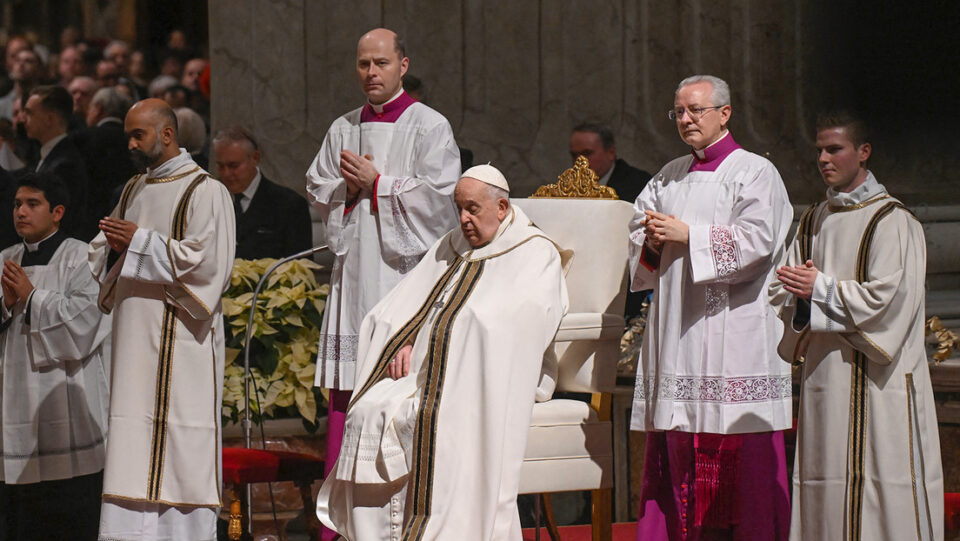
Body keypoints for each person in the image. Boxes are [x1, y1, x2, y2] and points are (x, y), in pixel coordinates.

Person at [317, 165, 568, 540]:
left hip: (484, 378)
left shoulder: (534, 253)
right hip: (428, 373)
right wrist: (406, 339)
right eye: (458, 208)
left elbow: (517, 321)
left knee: (427, 419)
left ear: (501, 207)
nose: (464, 219)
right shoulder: (452, 244)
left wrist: (435, 344)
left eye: (473, 209)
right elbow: (406, 306)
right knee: (370, 411)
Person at [305, 28, 461, 540]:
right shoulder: (342, 128)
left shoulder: (429, 126)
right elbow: (318, 188)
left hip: (403, 283)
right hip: (352, 286)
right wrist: (346, 189)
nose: (370, 73)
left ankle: (396, 528)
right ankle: (341, 529)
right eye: (362, 64)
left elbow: (444, 205)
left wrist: (380, 184)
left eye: (380, 63)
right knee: (347, 400)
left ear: (401, 65)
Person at [629, 75, 793, 540]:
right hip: (678, 332)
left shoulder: (755, 172)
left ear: (724, 113)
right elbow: (637, 233)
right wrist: (651, 238)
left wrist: (690, 237)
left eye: (695, 110)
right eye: (678, 111)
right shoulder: (669, 174)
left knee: (740, 454)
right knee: (678, 443)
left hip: (731, 333)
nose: (684, 120)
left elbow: (761, 241)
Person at [769, 111, 943, 541]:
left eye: (835, 149)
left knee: (886, 489)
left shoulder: (894, 222)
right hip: (826, 379)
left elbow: (890, 302)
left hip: (879, 384)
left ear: (863, 152)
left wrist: (821, 289)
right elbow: (783, 291)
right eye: (819, 151)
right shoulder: (812, 221)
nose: (824, 159)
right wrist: (802, 295)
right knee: (824, 484)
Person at [88, 98, 234, 541]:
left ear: (167, 135)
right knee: (133, 448)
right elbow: (101, 249)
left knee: (180, 454)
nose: (131, 144)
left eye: (139, 135)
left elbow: (210, 264)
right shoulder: (132, 189)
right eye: (128, 135)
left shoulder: (206, 190)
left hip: (183, 340)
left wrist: (140, 242)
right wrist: (117, 246)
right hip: (135, 339)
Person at [0, 172, 111, 541]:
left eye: (33, 204)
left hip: (66, 396)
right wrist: (5, 303)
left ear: (57, 212)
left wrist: (32, 298)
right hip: (15, 394)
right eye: (17, 204)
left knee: (68, 513)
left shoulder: (82, 257)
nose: (21, 212)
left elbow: (86, 321)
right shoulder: (5, 259)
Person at [213, 125, 312, 260]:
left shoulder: (289, 205)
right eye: (220, 166)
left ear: (255, 158)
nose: (226, 173)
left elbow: (302, 270)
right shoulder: (212, 201)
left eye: (233, 166)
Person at [23, 85, 90, 238]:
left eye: (29, 113)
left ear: (50, 119)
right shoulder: (48, 155)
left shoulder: (64, 164)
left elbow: (57, 222)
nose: (22, 118)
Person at [76, 86, 136, 226]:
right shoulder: (135, 141)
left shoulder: (83, 138)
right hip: (125, 218)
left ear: (98, 108)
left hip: (89, 218)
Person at [569, 122, 652, 204]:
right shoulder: (570, 186)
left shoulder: (638, 183)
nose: (579, 161)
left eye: (587, 153)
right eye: (574, 155)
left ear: (611, 153)